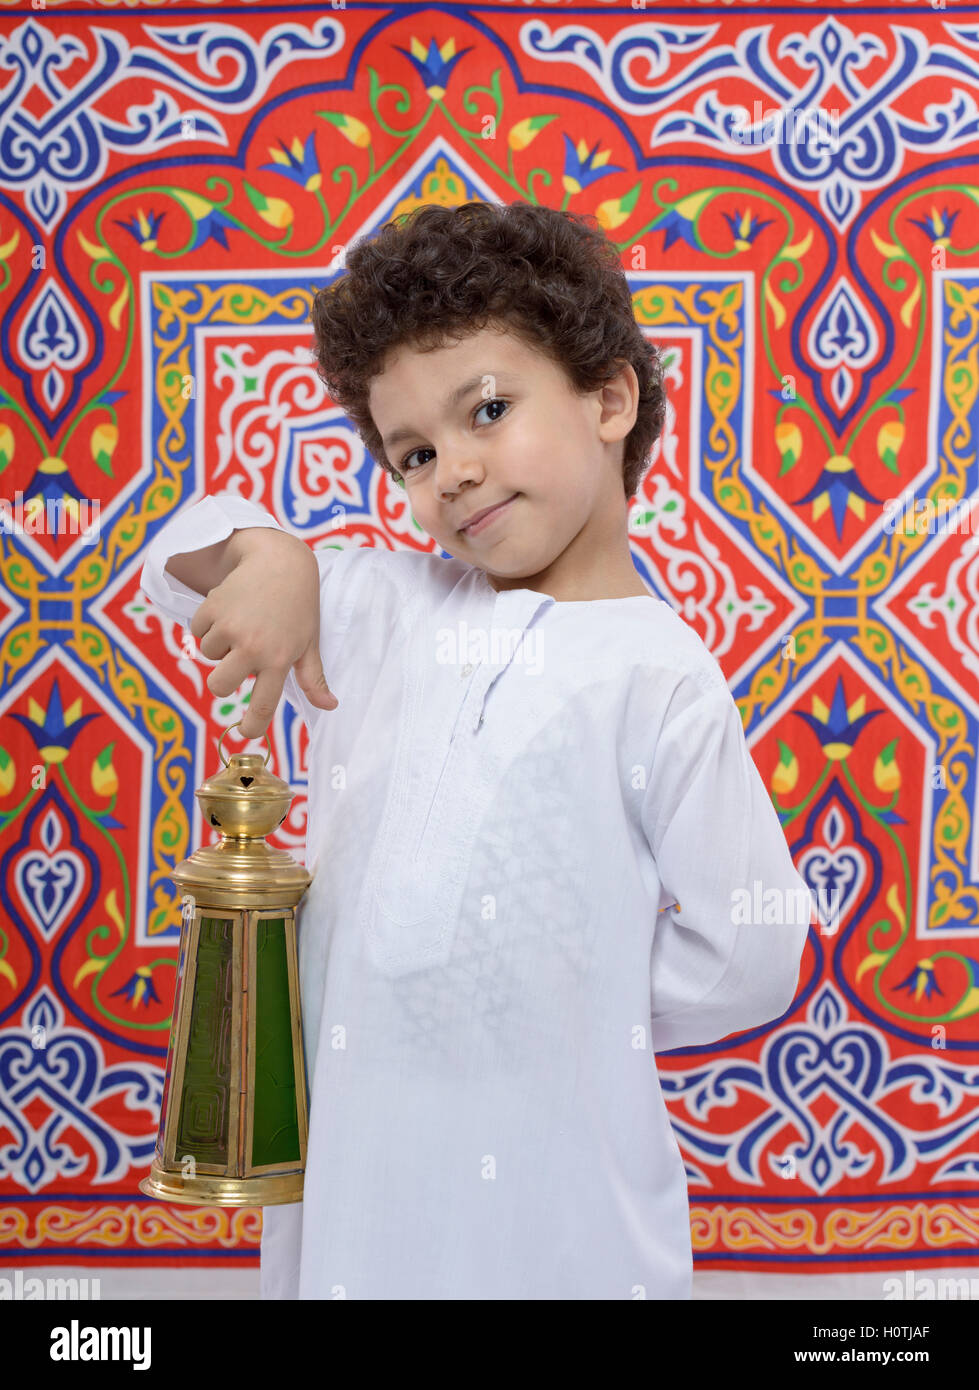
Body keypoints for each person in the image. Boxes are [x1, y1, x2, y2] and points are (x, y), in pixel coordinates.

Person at [140, 200, 812, 1300]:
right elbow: (174, 557)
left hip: (560, 1178)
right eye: (412, 451)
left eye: (486, 409)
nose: (449, 470)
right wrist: (273, 553)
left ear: (608, 397)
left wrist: (572, 990)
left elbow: (753, 950)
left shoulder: (660, 673)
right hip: (357, 1152)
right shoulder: (382, 606)